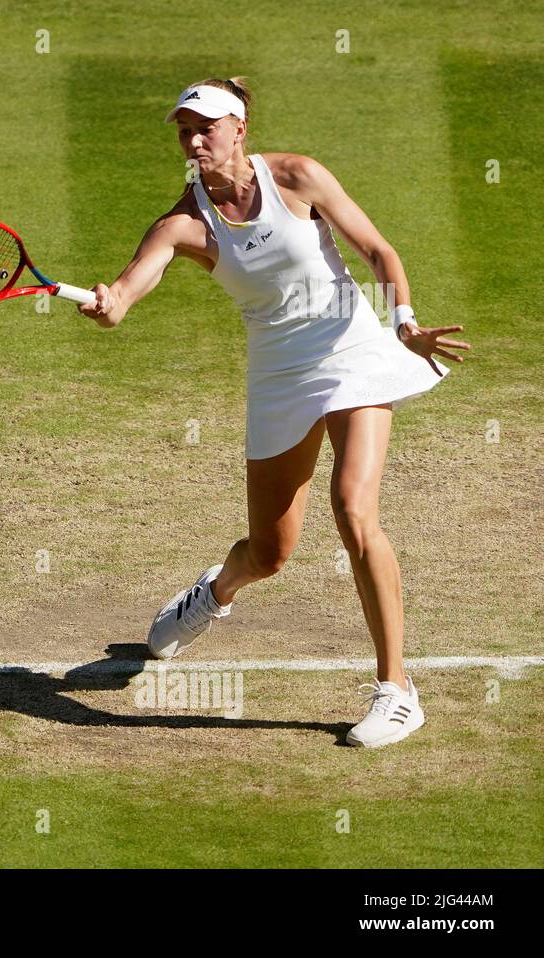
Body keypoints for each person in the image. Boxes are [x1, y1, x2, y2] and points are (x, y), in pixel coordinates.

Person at [79, 77, 472, 747]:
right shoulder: (185, 224)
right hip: (280, 377)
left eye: (205, 126)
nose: (194, 139)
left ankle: (396, 691)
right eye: (183, 130)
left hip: (354, 351)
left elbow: (379, 252)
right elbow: (128, 287)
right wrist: (111, 302)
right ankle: (214, 593)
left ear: (239, 128)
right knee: (269, 552)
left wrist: (403, 324)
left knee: (354, 509)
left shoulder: (298, 177)